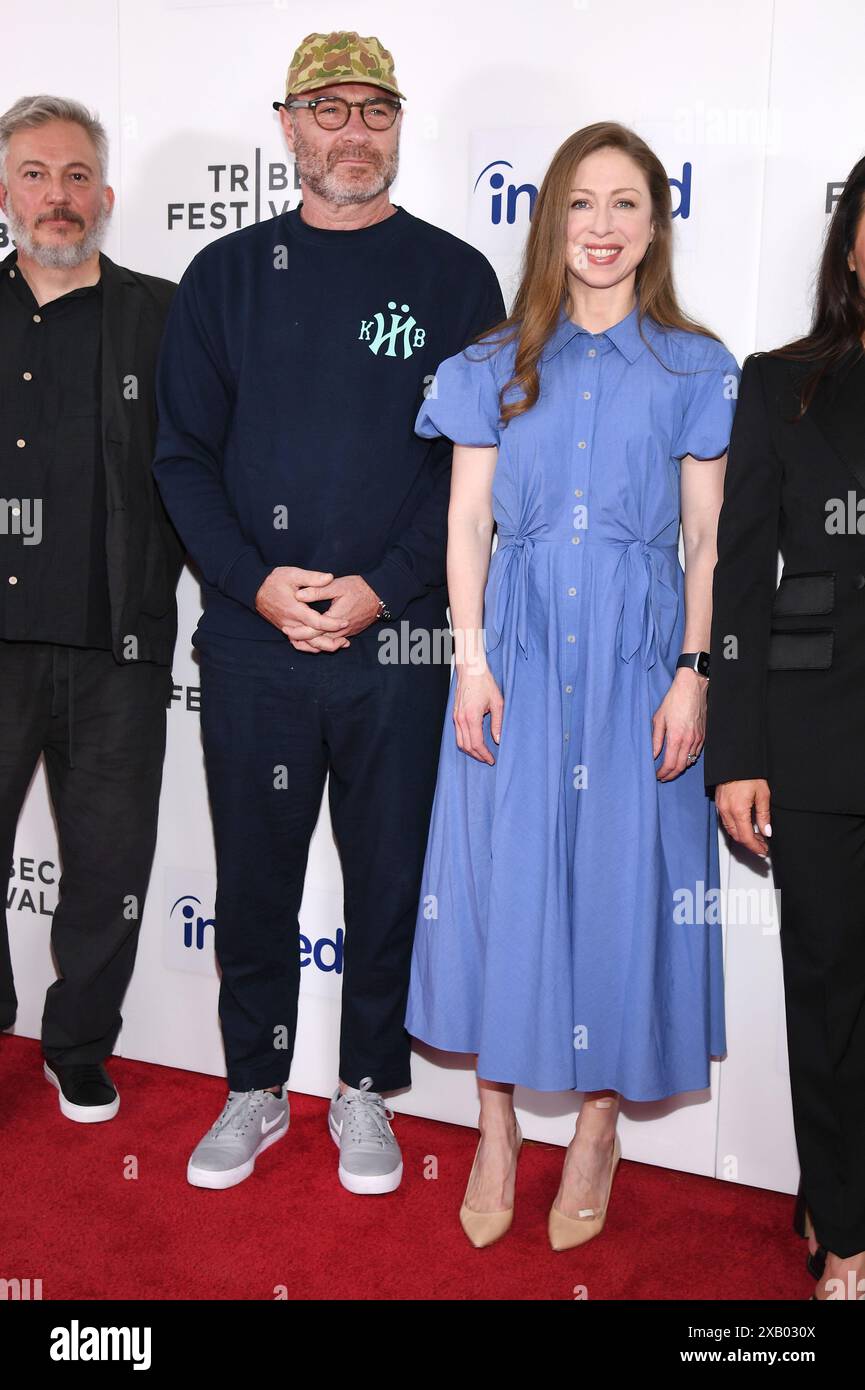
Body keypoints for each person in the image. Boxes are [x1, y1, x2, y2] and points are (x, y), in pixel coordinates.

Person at [153, 30, 504, 1193]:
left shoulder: (458, 279)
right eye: (330, 110)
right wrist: (258, 584)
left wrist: (382, 587)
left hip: (396, 638)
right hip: (254, 640)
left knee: (388, 871)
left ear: (397, 126)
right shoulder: (225, 277)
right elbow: (183, 459)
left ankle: (365, 1087)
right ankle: (254, 1083)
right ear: (289, 125)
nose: (354, 130)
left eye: (375, 110)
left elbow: (468, 475)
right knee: (253, 871)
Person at [406, 121, 739, 1248]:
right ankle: (495, 1120)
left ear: (656, 224)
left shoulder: (696, 366)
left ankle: (596, 1124)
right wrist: (472, 660)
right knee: (506, 876)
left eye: (625, 205)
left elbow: (706, 541)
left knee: (620, 880)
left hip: (642, 659)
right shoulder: (488, 363)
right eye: (580, 204)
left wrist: (693, 674)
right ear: (551, 221)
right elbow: (462, 524)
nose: (600, 227)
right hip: (520, 654)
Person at [0, 95, 183, 1121]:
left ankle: (78, 1042)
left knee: (110, 862)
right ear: (4, 193)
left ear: (104, 196)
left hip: (118, 645)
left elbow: (198, 469)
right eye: (35, 174)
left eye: (75, 177)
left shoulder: (159, 317)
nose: (57, 197)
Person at [704, 153, 865, 1301]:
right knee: (831, 990)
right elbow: (736, 585)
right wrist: (740, 752)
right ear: (849, 240)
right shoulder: (780, 383)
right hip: (818, 743)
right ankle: (845, 1228)